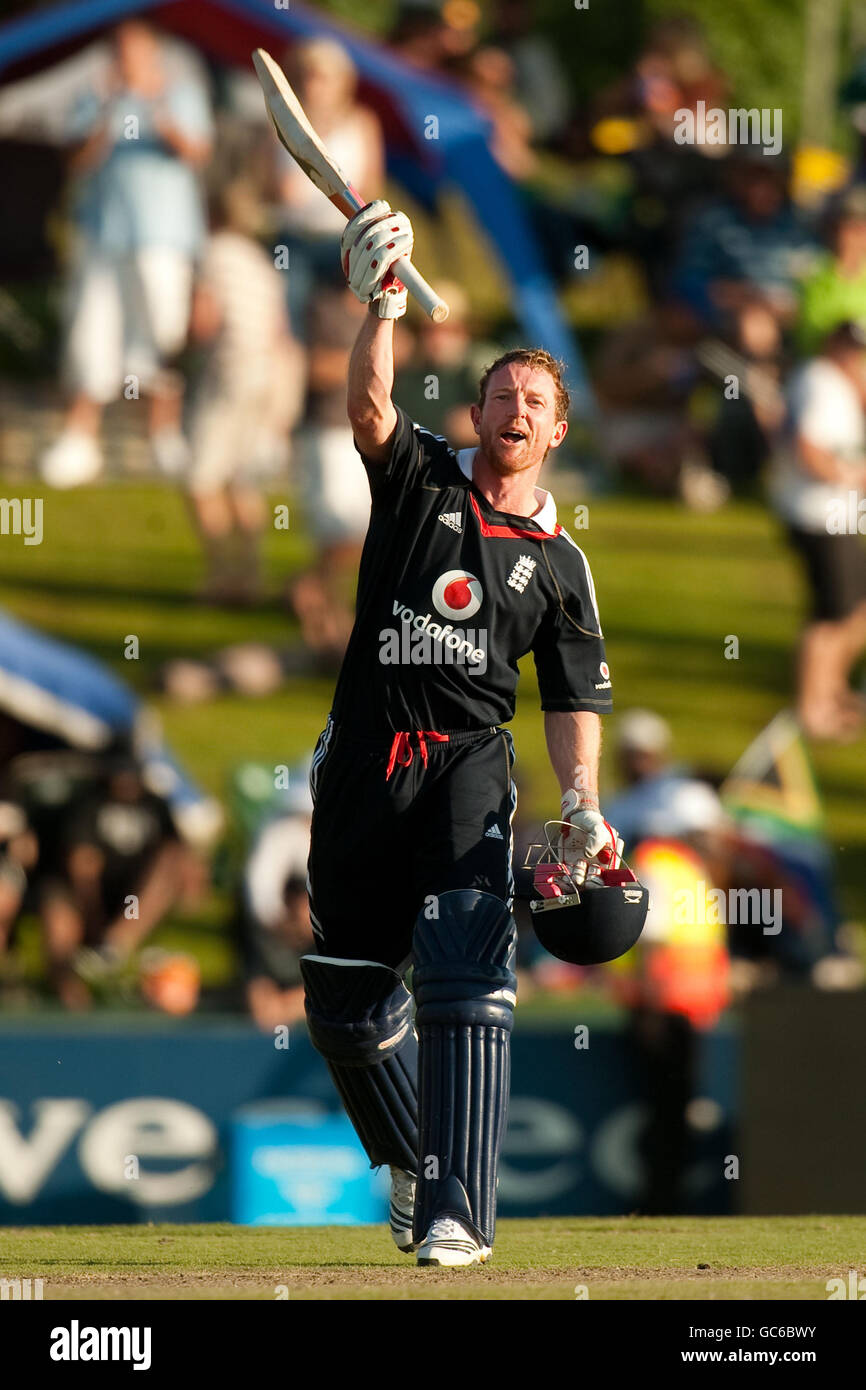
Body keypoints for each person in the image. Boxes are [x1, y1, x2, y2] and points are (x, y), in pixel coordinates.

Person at [301, 200, 618, 1267]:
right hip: (363, 756)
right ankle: (405, 1167)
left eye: (534, 399)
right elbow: (365, 406)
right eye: (499, 394)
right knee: (344, 998)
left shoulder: (561, 566)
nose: (514, 408)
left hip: (466, 767)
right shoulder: (422, 475)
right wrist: (379, 304)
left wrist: (579, 804)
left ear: (556, 429)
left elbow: (574, 699)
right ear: (476, 411)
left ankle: (458, 1212)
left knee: (462, 964)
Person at [41, 20, 213, 487]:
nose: (125, 60)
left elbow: (196, 153)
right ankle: (79, 440)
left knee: (162, 331)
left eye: (133, 51)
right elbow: (76, 162)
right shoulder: (95, 98)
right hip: (101, 235)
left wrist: (156, 107)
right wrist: (107, 109)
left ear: (153, 53)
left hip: (164, 237)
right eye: (118, 51)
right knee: (90, 330)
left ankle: (163, 435)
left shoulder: (180, 93)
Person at [186, 177, 301, 604]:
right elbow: (280, 329)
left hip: (228, 370)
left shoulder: (211, 255)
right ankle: (250, 576)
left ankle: (219, 577)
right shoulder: (259, 261)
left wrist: (175, 354)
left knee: (200, 476)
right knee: (241, 478)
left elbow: (203, 322)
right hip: (266, 372)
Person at [767, 321, 866, 740]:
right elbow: (807, 446)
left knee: (853, 609)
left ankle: (831, 692)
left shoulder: (835, 383)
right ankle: (812, 709)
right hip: (817, 515)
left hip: (836, 516)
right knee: (829, 615)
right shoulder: (820, 382)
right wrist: (848, 476)